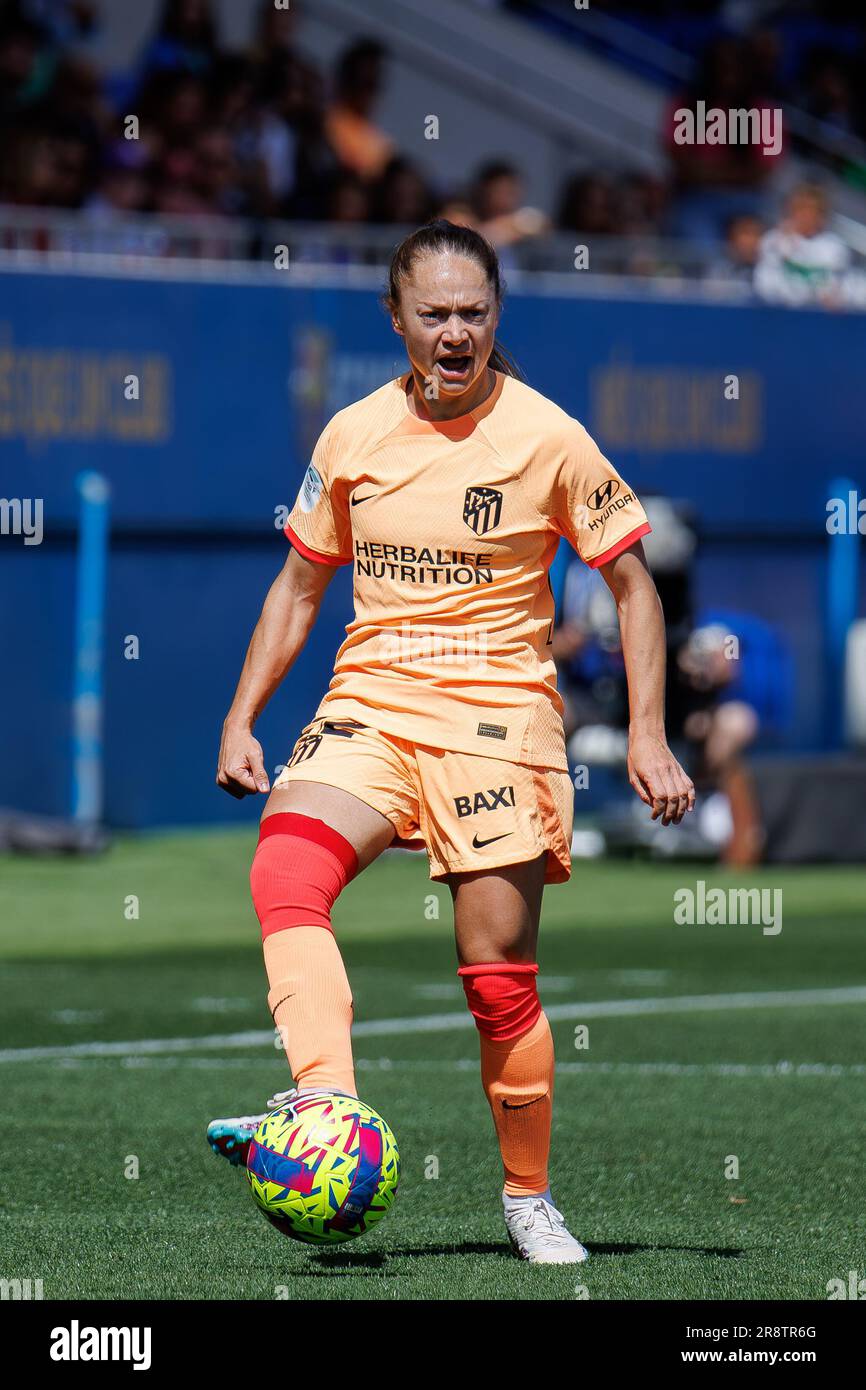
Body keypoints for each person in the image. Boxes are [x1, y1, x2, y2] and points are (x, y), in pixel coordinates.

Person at [208, 219, 694, 1264]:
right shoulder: (350, 435)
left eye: (473, 313)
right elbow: (300, 586)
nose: (455, 332)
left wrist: (647, 735)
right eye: (434, 314)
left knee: (496, 977)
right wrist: (242, 713)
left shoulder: (548, 436)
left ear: (495, 319)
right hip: (371, 708)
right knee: (284, 872)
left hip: (497, 726)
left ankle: (527, 1198)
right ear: (397, 321)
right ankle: (324, 1105)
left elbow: (631, 583)